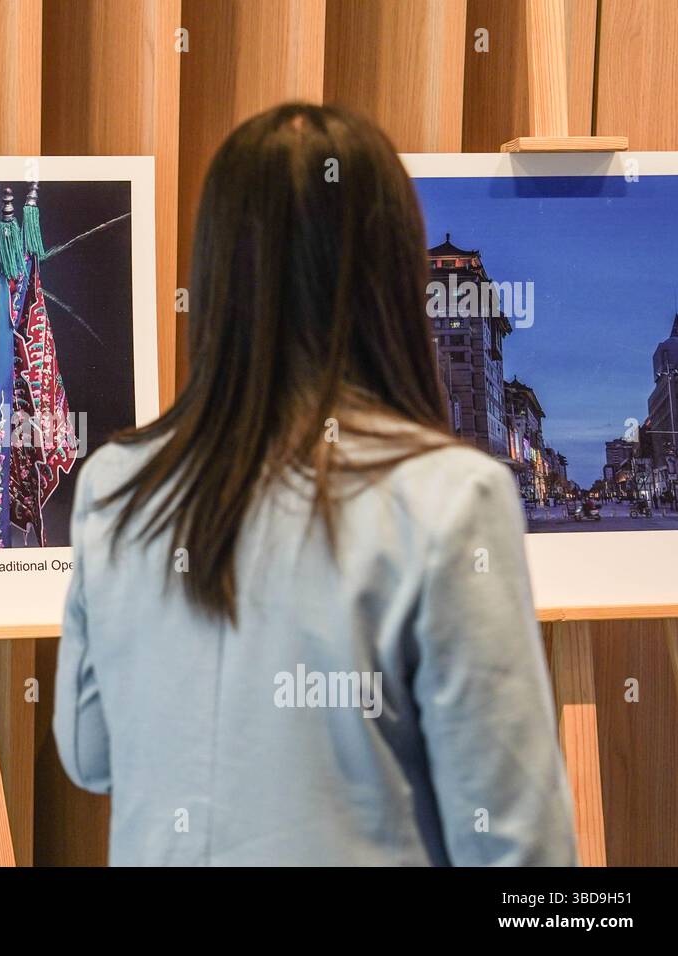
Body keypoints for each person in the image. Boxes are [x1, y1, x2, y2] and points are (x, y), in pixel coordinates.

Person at [53, 103, 578, 866]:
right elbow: (515, 844)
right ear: (394, 277)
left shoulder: (117, 481)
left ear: (217, 267)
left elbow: (90, 752)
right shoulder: (451, 497)